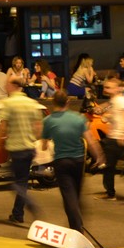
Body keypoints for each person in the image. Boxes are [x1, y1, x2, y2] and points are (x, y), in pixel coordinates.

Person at [44, 90, 101, 233]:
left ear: (53, 102)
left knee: (68, 196)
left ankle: (76, 228)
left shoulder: (49, 121)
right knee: (76, 193)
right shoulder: (78, 118)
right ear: (68, 102)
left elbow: (44, 144)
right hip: (78, 161)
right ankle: (77, 223)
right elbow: (91, 140)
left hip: (61, 161)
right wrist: (99, 156)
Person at [0, 75, 43, 225]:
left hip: (16, 148)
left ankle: (30, 205)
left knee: (15, 183)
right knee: (22, 181)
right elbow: (38, 127)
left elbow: (3, 127)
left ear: (13, 86)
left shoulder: (8, 103)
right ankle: (18, 214)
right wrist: (34, 140)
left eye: (6, 84)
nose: (5, 87)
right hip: (29, 148)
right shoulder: (32, 103)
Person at [97, 78, 124, 202]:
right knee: (109, 166)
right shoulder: (115, 101)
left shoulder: (121, 101)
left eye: (109, 87)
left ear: (117, 88)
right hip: (114, 136)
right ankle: (110, 192)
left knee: (108, 166)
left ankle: (110, 194)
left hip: (117, 137)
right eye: (105, 87)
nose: (106, 89)